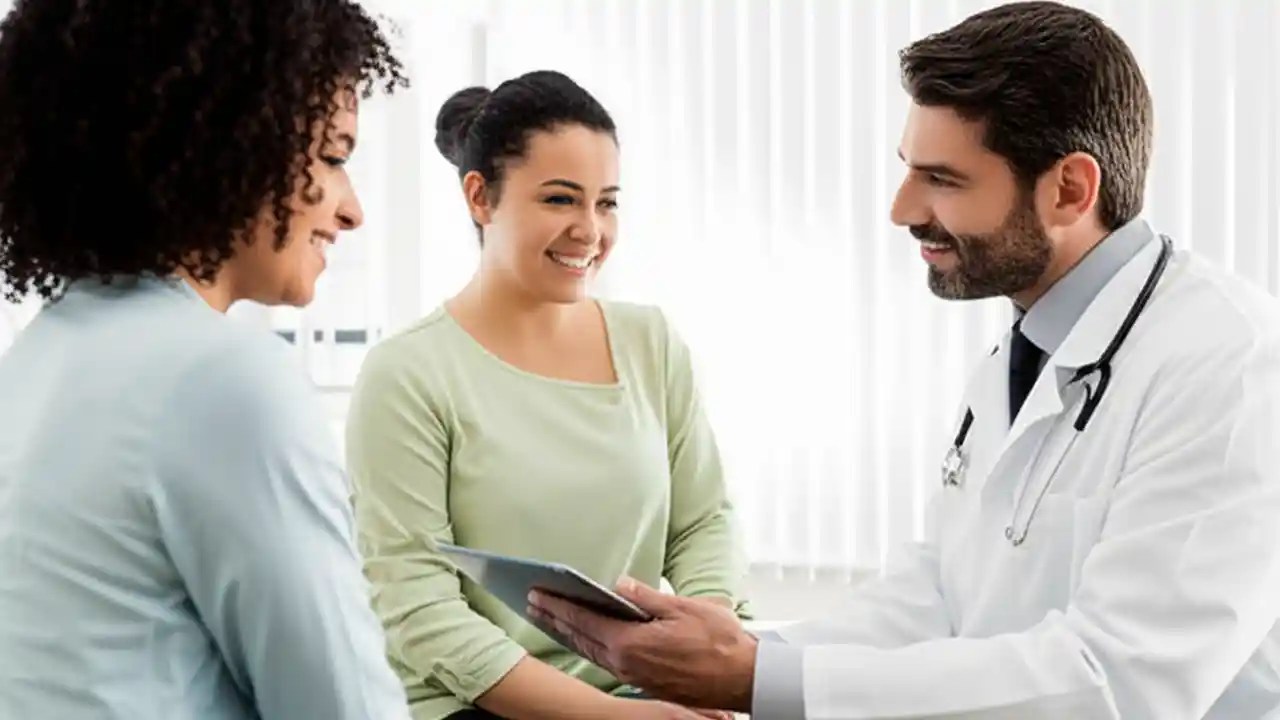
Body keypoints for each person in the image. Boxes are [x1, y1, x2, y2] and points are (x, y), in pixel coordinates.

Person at [527, 3, 1280, 719]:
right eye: (910, 169)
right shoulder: (1026, 350)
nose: (902, 208)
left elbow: (1121, 683)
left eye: (943, 180)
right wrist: (739, 658)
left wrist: (759, 677)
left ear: (1070, 189)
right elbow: (937, 598)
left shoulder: (1229, 363)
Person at [0, 2, 413, 718]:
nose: (352, 210)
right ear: (232, 141)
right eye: (335, 155)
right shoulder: (221, 380)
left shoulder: (42, 354)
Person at [344, 70, 748, 720]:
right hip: (481, 706)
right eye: (560, 200)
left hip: (650, 695)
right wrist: (627, 719)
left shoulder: (650, 343)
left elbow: (704, 521)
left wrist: (705, 653)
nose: (590, 230)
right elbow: (419, 609)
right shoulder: (408, 375)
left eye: (607, 202)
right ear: (480, 197)